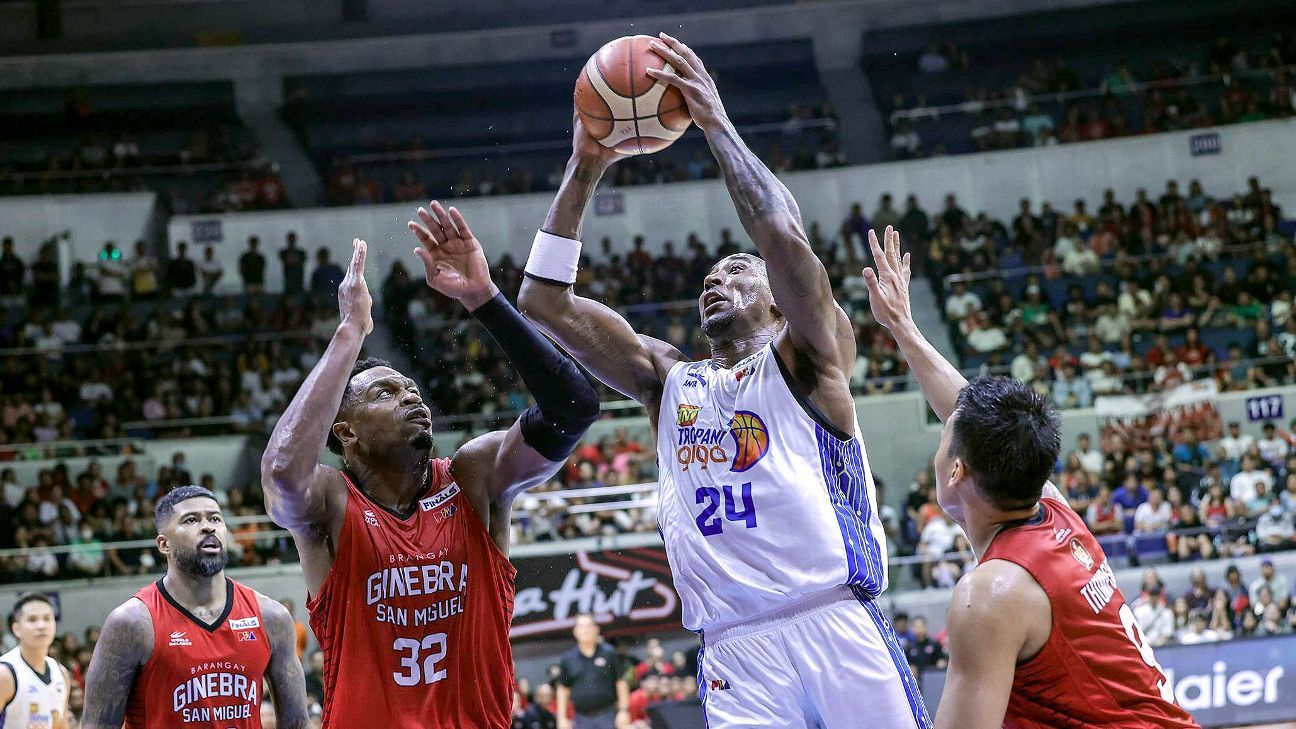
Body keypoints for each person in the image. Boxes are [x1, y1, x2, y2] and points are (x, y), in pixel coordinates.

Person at [519, 34, 928, 729]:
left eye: (737, 271)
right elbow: (542, 300)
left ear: (777, 302)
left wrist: (715, 122)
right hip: (734, 647)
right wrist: (584, 166)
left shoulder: (812, 354)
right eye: (710, 276)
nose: (716, 279)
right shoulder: (667, 381)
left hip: (834, 619)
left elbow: (782, 236)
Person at [260, 205, 598, 728]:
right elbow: (282, 472)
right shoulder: (329, 501)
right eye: (386, 393)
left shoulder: (472, 476)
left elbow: (573, 407)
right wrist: (350, 333)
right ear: (345, 433)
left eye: (411, 388)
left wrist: (485, 299)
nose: (411, 396)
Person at [859, 227, 1197, 728]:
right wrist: (903, 327)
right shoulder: (1053, 508)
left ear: (957, 470)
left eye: (944, 435)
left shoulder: (990, 593)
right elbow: (967, 411)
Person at [81, 485, 309, 728]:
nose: (208, 526)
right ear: (164, 544)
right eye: (191, 520)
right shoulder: (132, 623)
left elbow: (297, 724)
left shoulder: (271, 617)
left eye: (215, 518)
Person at [0, 593, 71, 729]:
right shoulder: (5, 673)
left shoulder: (62, 673)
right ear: (16, 629)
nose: (41, 625)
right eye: (32, 620)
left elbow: (63, 725)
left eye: (47, 619)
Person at [555, 616, 628, 729]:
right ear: (575, 631)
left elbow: (621, 682)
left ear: (596, 629)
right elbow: (563, 689)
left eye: (589, 626)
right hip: (581, 718)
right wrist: (561, 717)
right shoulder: (568, 658)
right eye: (581, 626)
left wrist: (624, 711)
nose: (585, 630)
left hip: (608, 714)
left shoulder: (609, 653)